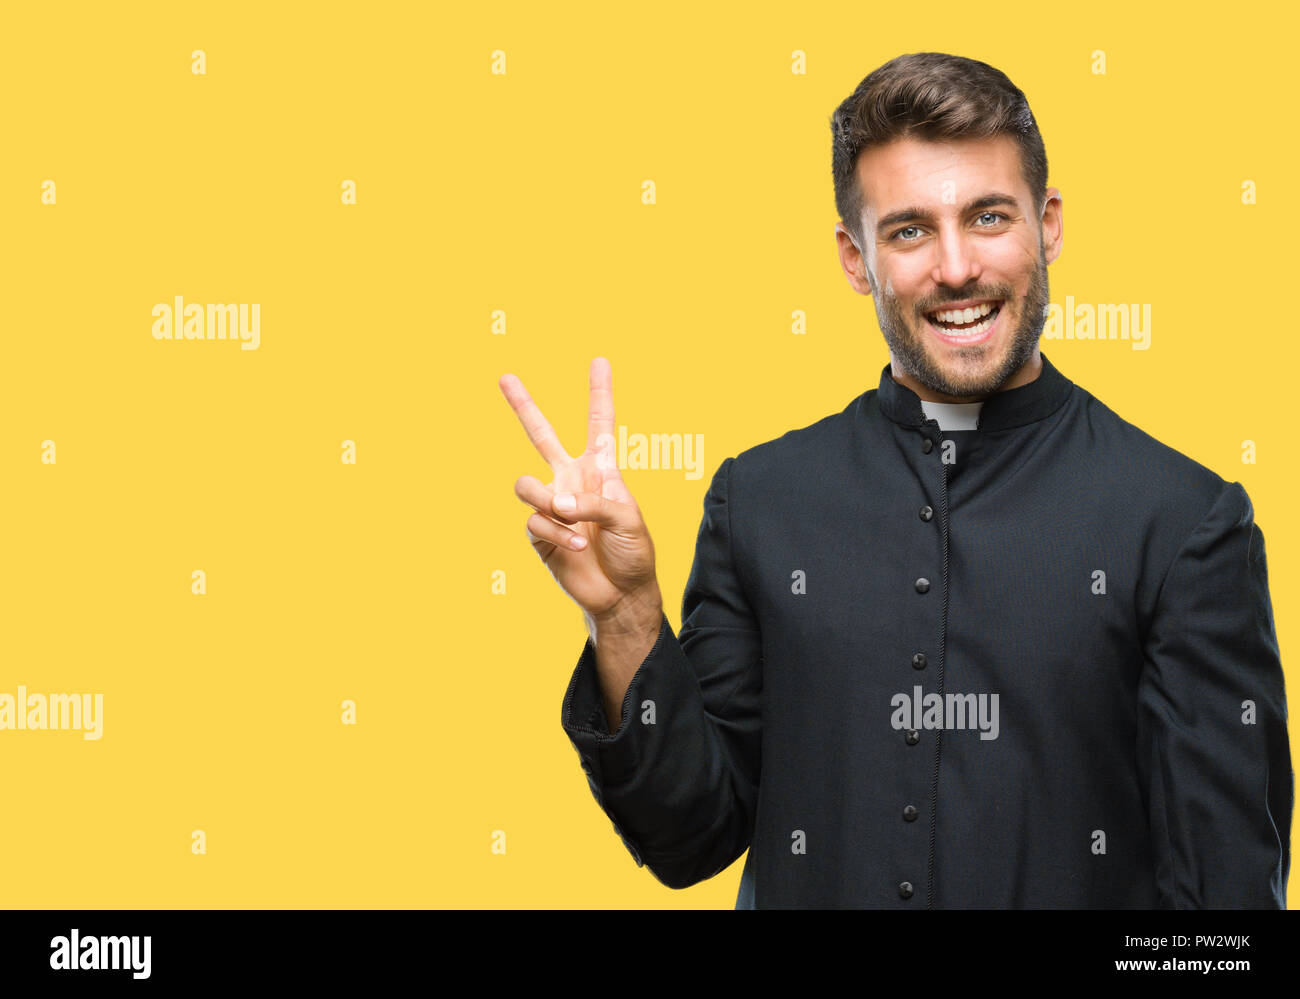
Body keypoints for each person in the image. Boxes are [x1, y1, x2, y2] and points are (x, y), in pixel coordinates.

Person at [498, 51, 1292, 908]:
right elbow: (692, 836)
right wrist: (623, 620)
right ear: (854, 257)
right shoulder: (758, 500)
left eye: (989, 217)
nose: (956, 268)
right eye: (909, 230)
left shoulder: (1183, 520)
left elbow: (1223, 922)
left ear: (1049, 224)